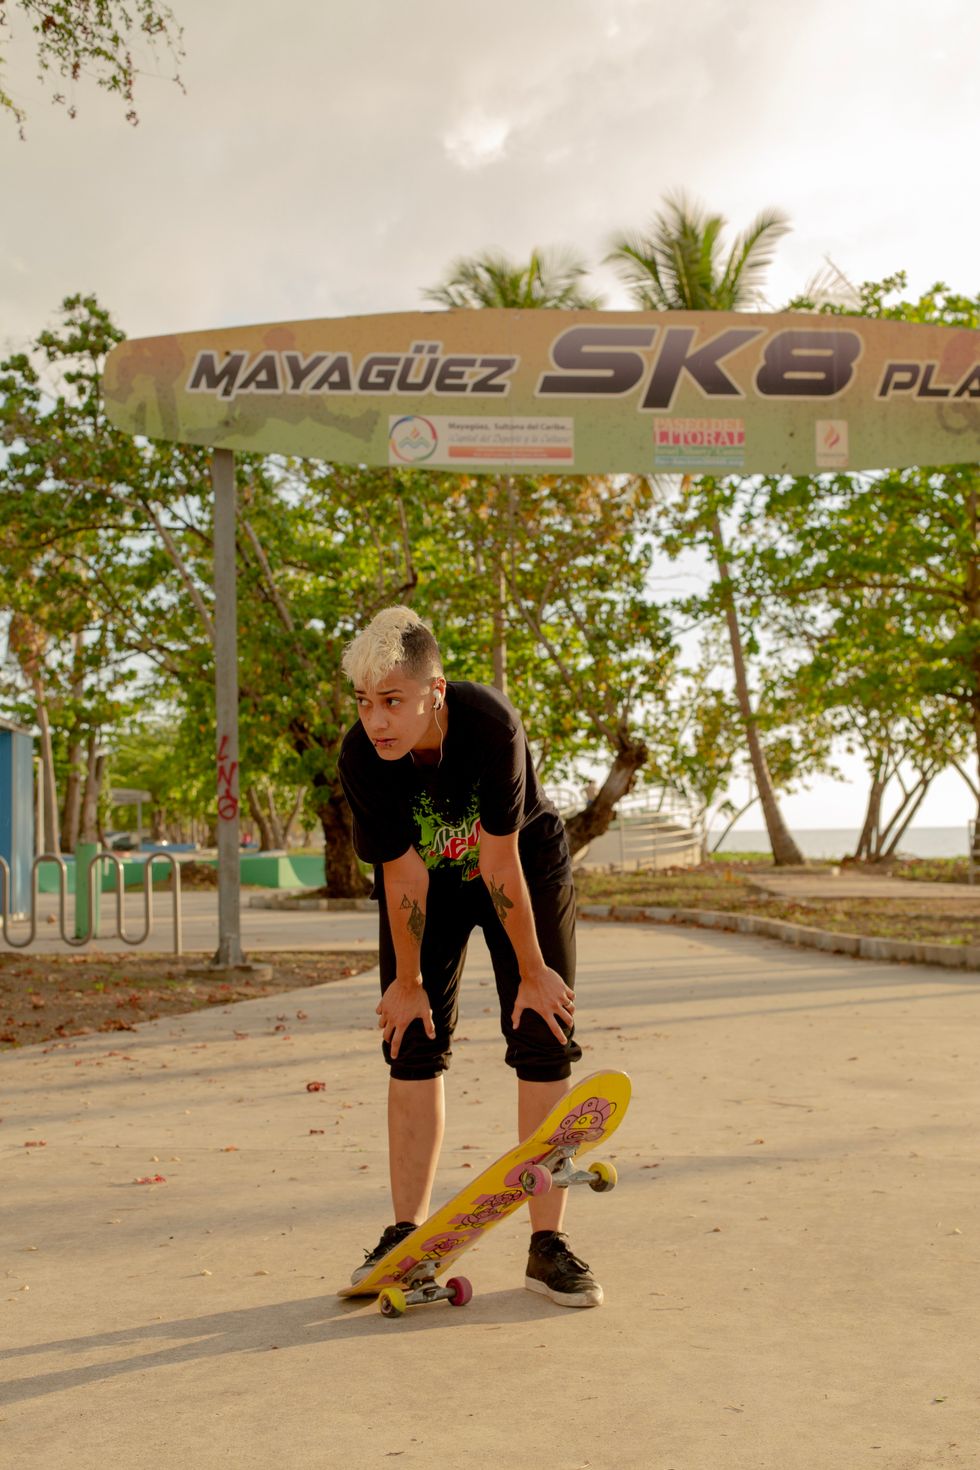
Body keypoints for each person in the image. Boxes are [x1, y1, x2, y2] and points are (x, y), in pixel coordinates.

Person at [338, 605, 602, 1307]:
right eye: (365, 703)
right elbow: (402, 876)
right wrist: (407, 981)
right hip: (431, 883)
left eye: (392, 701)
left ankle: (548, 1246)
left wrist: (534, 969)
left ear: (436, 690)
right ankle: (406, 1234)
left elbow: (499, 860)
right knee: (411, 1033)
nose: (377, 721)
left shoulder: (491, 727)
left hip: (520, 865)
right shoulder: (362, 758)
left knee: (544, 1027)